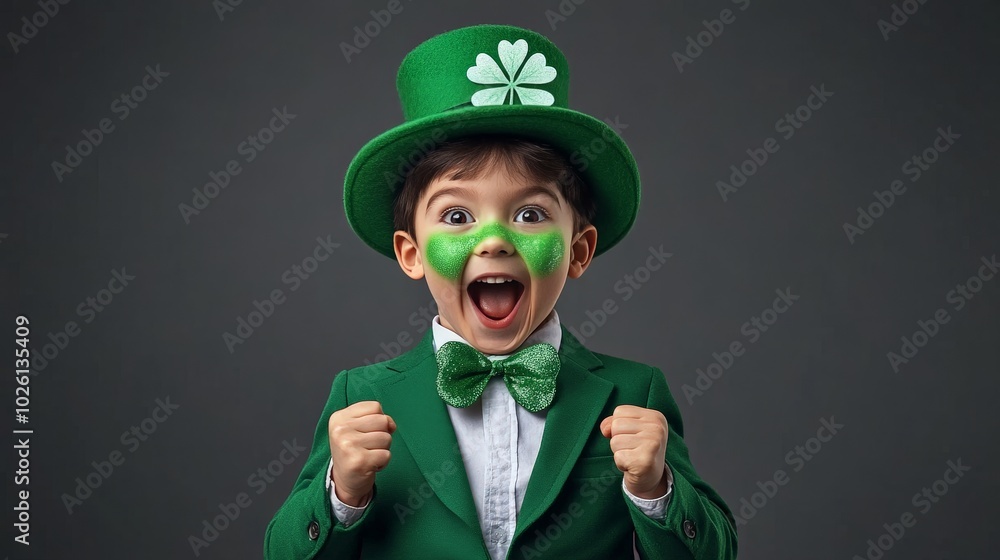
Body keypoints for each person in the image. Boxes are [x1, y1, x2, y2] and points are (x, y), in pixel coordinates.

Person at [264, 23, 738, 560]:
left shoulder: (635, 392)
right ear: (411, 252)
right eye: (458, 215)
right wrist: (341, 494)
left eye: (530, 214)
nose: (494, 241)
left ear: (579, 250)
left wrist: (656, 490)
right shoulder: (361, 396)